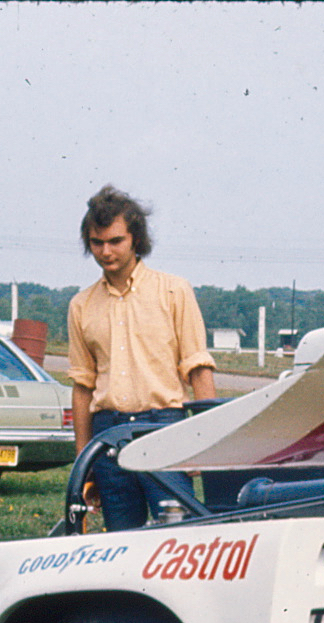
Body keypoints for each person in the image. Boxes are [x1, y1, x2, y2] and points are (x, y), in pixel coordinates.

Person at [68, 185, 215, 531]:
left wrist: (205, 444)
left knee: (179, 535)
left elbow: (198, 369)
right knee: (121, 541)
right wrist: (82, 460)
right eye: (96, 242)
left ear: (136, 238)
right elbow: (82, 387)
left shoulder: (174, 291)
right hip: (108, 435)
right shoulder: (81, 305)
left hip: (163, 425)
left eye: (115, 241)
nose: (106, 251)